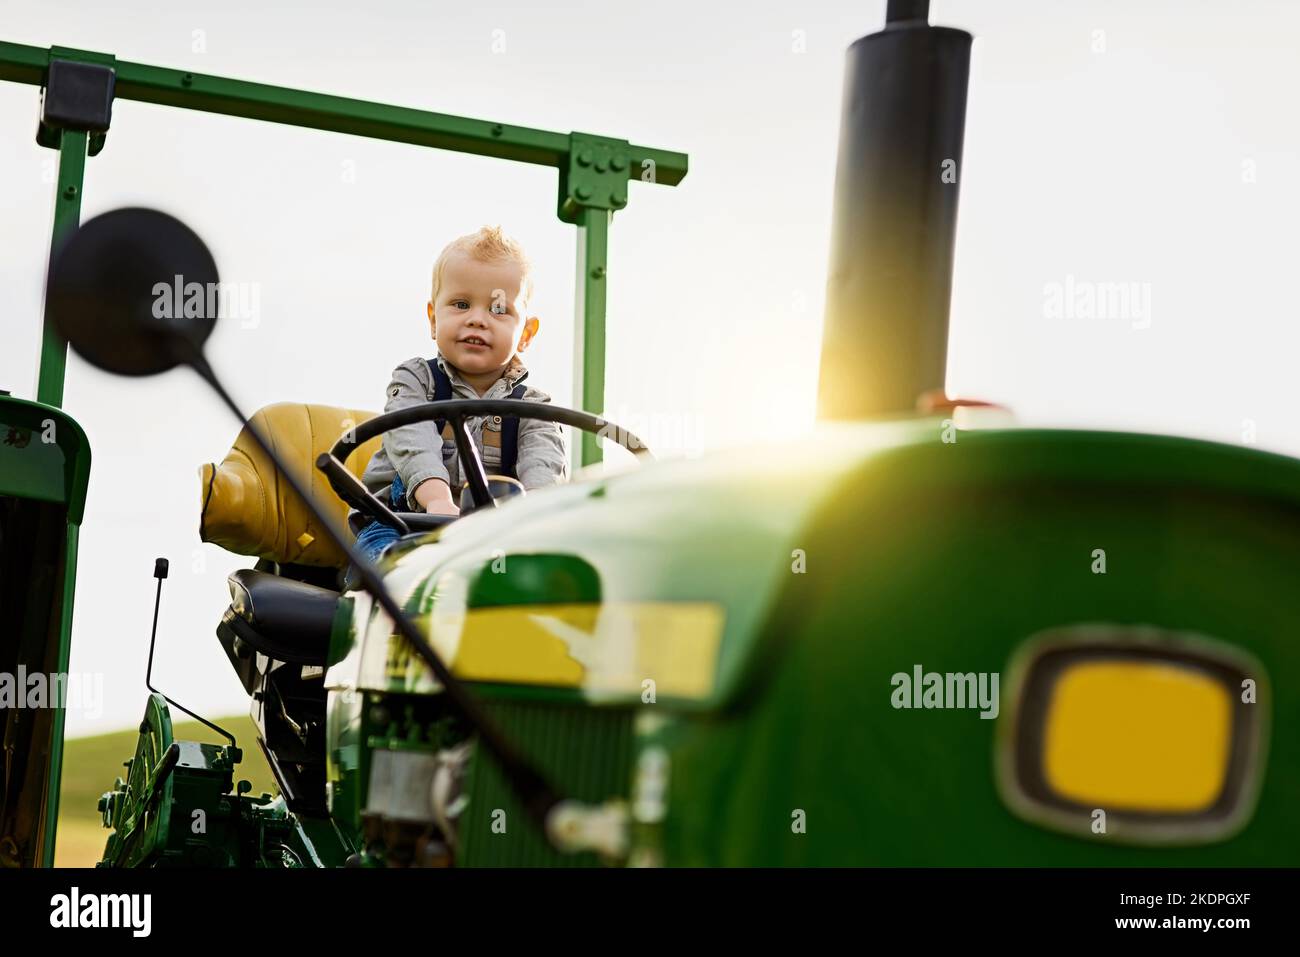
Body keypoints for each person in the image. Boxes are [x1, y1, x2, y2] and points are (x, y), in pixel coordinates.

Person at [353, 225, 569, 562]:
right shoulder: (416, 380)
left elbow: (544, 468)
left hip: (493, 538)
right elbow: (412, 440)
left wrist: (534, 521)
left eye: (498, 309)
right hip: (403, 523)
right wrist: (438, 499)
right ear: (433, 319)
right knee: (388, 567)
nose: (477, 320)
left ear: (526, 333)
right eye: (461, 304)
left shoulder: (534, 408)